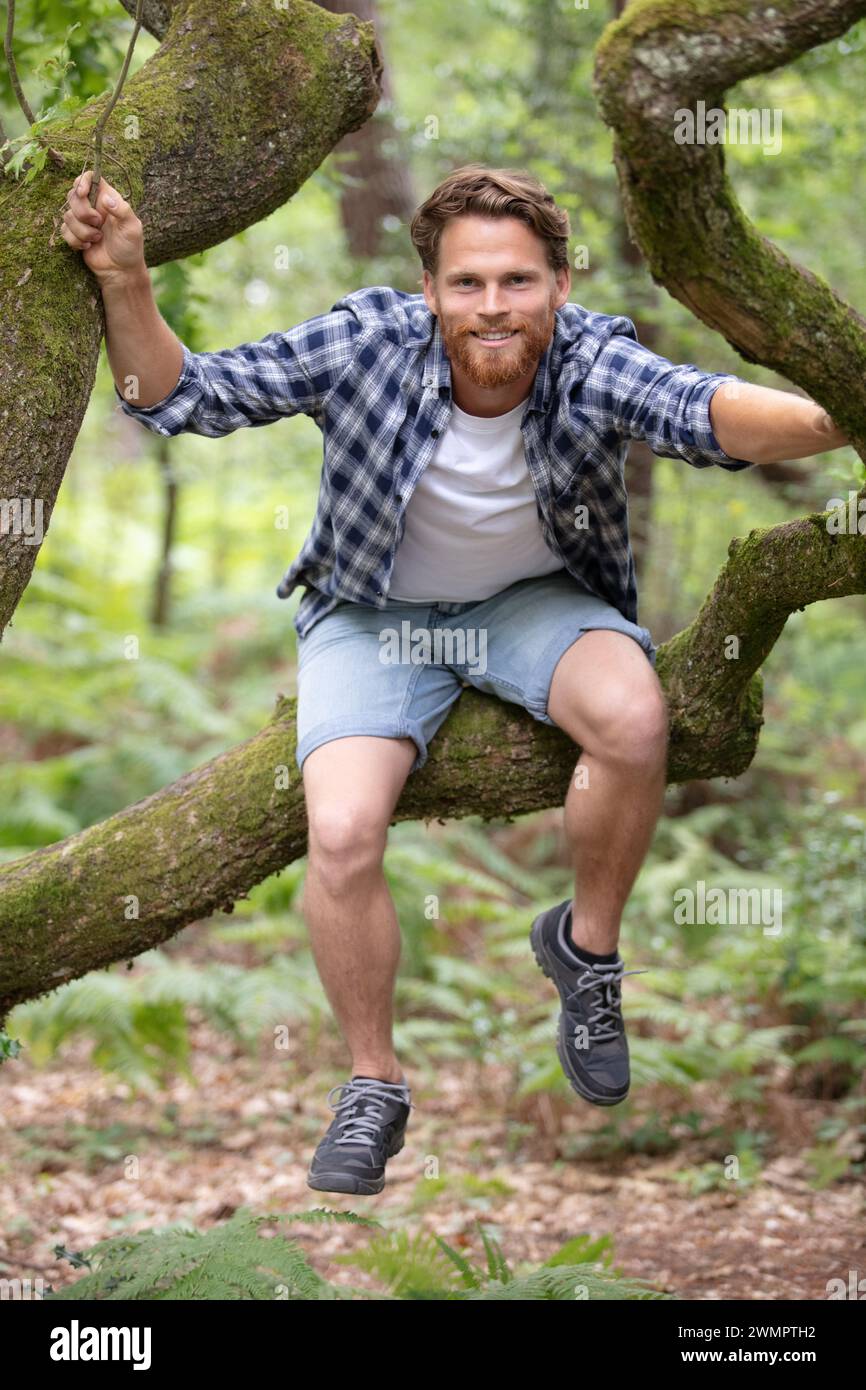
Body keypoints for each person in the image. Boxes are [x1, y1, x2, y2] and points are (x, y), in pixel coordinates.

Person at [62, 163, 849, 1197]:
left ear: (559, 287)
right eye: (468, 283)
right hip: (371, 614)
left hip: (534, 602)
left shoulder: (590, 356)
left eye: (518, 282)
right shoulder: (365, 341)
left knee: (633, 715)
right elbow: (181, 396)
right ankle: (372, 1083)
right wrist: (126, 279)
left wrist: (840, 413)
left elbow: (708, 413)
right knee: (341, 831)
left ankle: (586, 952)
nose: (493, 306)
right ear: (428, 287)